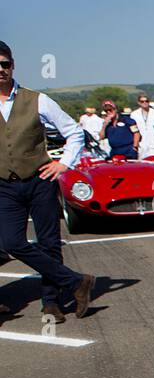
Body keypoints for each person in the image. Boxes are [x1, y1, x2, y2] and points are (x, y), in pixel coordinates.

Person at [0, 40, 95, 322]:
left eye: (5, 64)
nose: (0, 70)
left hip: (40, 180)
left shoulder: (37, 100)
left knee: (50, 242)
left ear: (13, 65)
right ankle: (76, 281)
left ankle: (51, 303)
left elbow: (74, 132)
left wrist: (63, 164)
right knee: (12, 242)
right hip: (5, 185)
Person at [130, 93, 154, 159]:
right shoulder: (134, 114)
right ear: (139, 103)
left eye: (146, 101)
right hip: (141, 144)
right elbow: (131, 128)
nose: (144, 103)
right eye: (142, 101)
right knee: (142, 163)